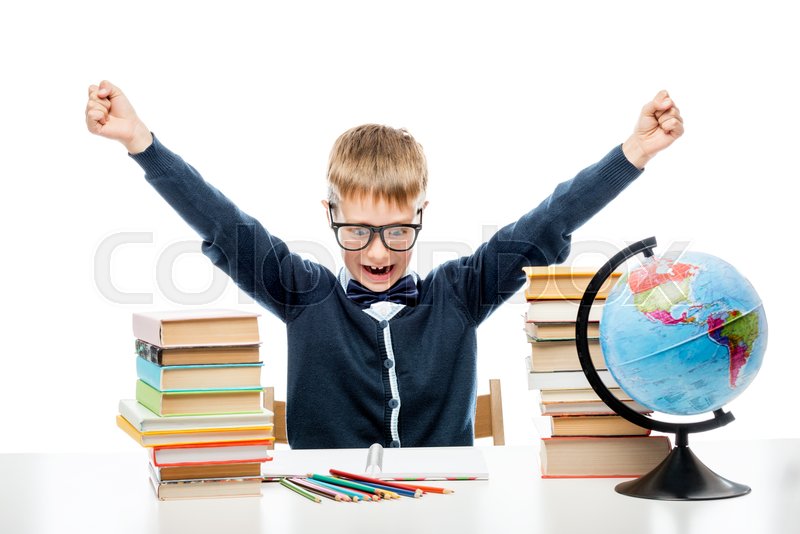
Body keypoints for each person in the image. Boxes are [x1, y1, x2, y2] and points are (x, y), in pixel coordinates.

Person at [86, 81, 683, 449]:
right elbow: (224, 224)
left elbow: (547, 220)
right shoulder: (304, 294)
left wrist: (633, 154)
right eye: (356, 231)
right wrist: (141, 141)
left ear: (422, 212)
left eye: (398, 230)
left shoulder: (460, 293)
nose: (377, 252)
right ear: (328, 214)